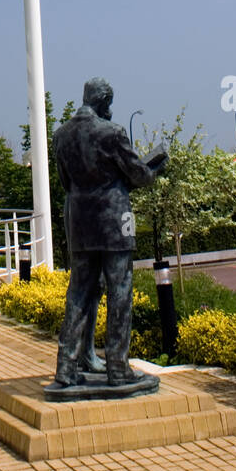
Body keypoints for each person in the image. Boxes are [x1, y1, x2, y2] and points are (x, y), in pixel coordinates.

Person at [51, 77, 167, 390]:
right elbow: (138, 174)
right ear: (103, 101)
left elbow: (66, 182)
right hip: (115, 220)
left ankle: (65, 367)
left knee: (78, 292)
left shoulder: (60, 135)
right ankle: (118, 366)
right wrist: (156, 166)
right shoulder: (111, 132)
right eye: (109, 104)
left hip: (80, 221)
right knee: (120, 291)